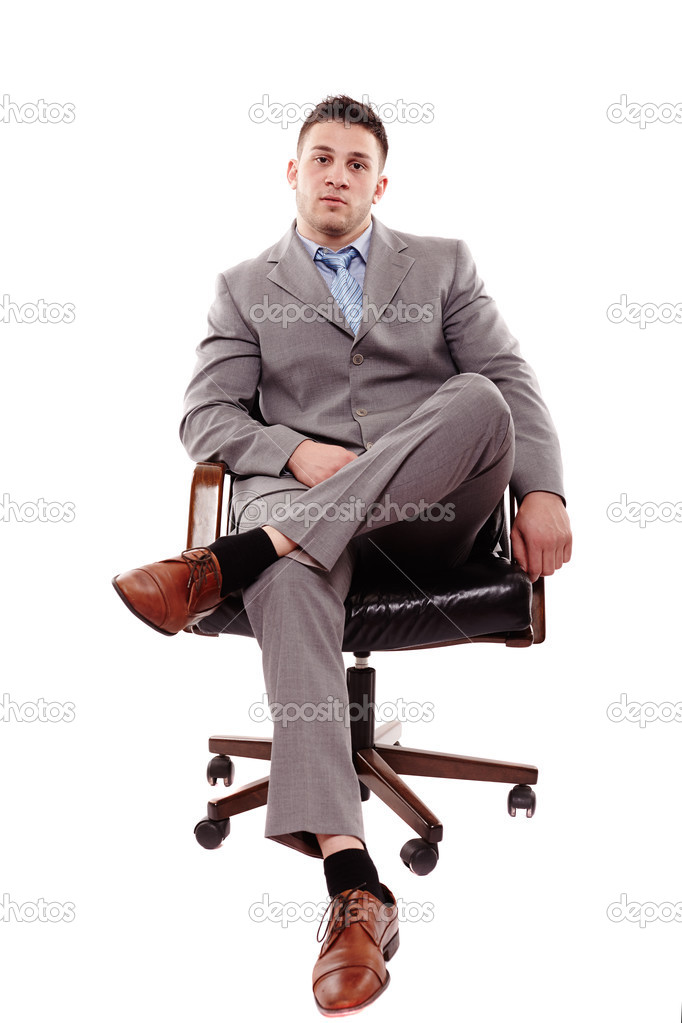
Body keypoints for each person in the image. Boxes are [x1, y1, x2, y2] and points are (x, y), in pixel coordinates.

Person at [112, 94, 572, 1016]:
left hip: (426, 509)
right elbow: (206, 418)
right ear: (293, 171)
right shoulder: (244, 284)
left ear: (380, 181)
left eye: (356, 164)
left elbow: (511, 386)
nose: (336, 175)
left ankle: (228, 559)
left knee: (479, 397)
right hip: (303, 498)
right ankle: (354, 887)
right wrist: (293, 452)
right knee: (293, 571)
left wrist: (545, 489)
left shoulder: (443, 263)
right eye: (321, 158)